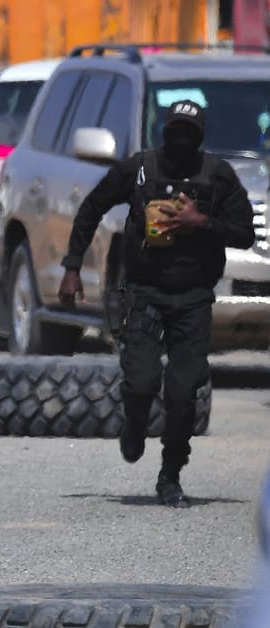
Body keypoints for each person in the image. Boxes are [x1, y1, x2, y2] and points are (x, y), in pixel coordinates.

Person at [58, 99, 255, 508]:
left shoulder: (217, 175)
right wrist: (72, 267)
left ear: (199, 138)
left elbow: (245, 233)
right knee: (142, 382)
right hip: (145, 292)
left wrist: (203, 224)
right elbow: (92, 207)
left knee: (184, 393)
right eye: (175, 131)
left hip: (193, 298)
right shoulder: (139, 169)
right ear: (164, 132)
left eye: (189, 133)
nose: (181, 139)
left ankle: (170, 475)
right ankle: (133, 424)